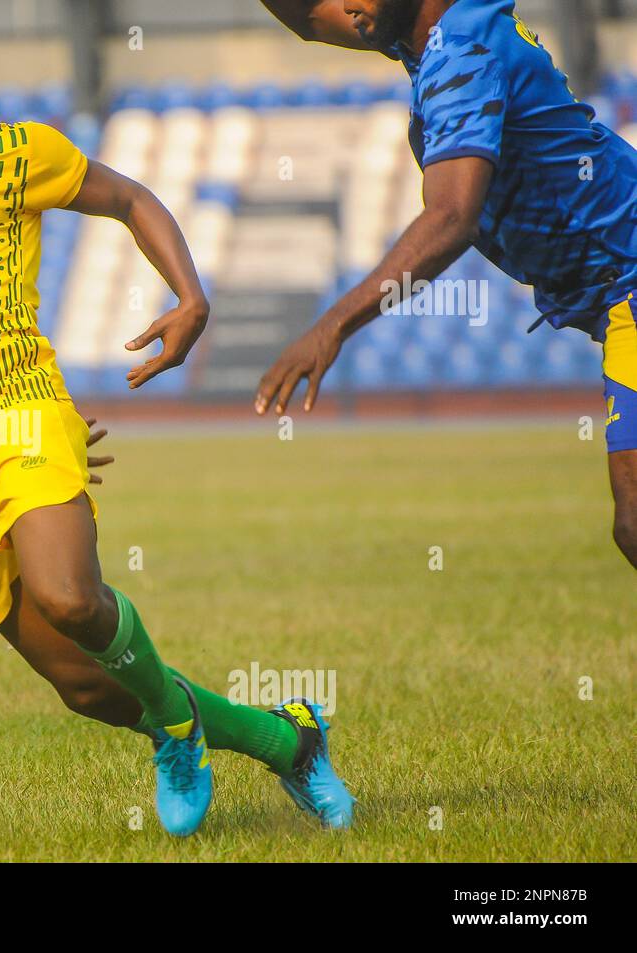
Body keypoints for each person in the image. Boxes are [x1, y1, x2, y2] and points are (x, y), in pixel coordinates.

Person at [0, 4, 354, 836]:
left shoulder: (13, 152)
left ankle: (179, 728)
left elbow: (129, 197)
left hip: (18, 412)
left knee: (72, 598)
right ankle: (286, 739)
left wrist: (190, 298)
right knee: (84, 687)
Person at [256, 0, 637, 570]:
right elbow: (310, 21)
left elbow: (451, 217)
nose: (348, 3)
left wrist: (332, 326)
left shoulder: (463, 53)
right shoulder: (430, 29)